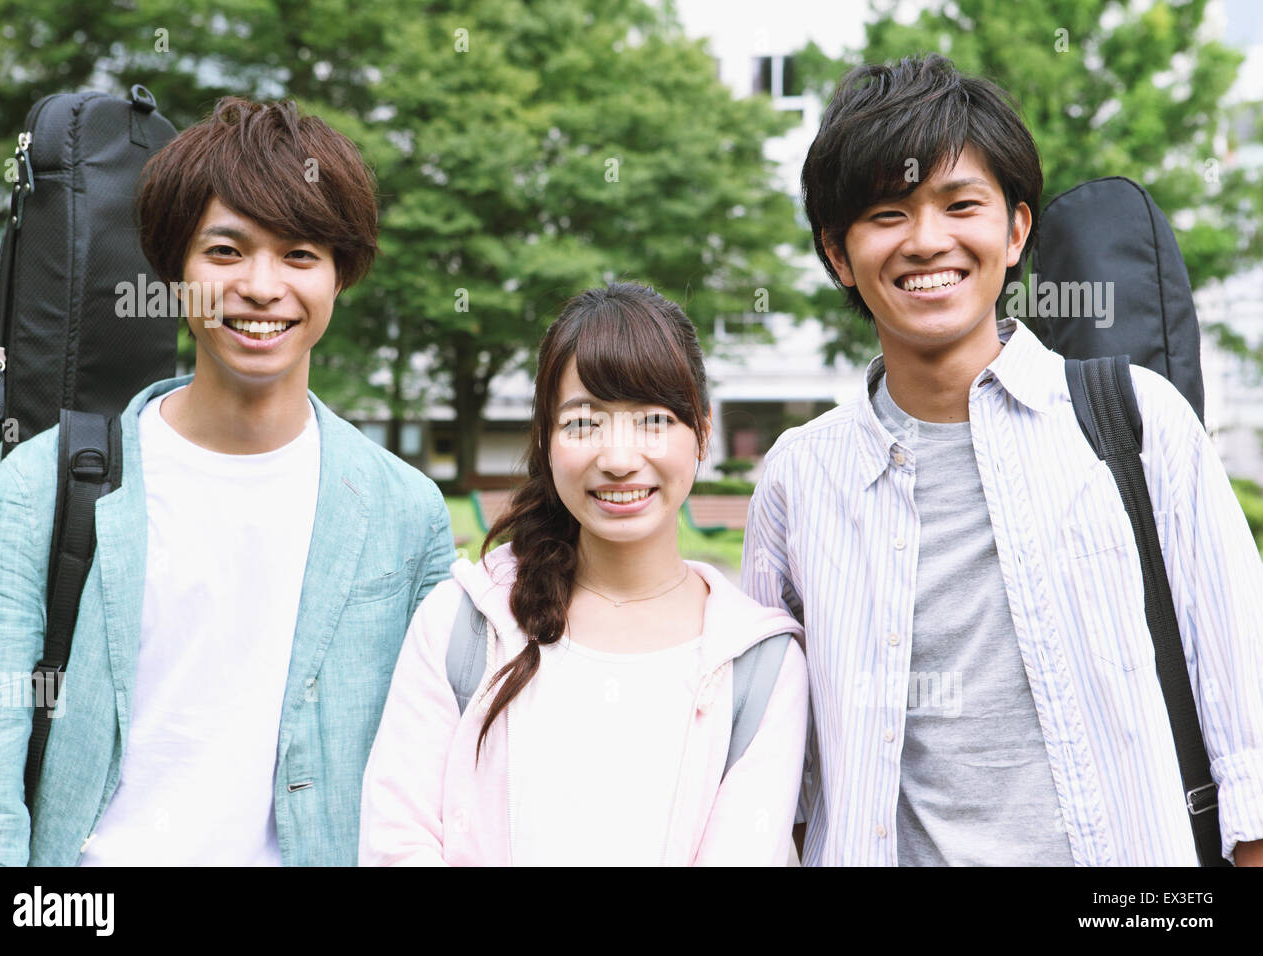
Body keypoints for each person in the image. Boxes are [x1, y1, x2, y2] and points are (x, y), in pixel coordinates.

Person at [742, 54, 1263, 866]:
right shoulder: (797, 478)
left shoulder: (1137, 420)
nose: (927, 241)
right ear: (838, 255)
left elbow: (1247, 712)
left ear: (1016, 230)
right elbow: (777, 760)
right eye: (887, 214)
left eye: (961, 205)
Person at [0, 97, 454, 866]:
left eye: (300, 255)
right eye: (225, 251)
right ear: (173, 271)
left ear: (338, 277)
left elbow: (431, 773)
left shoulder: (404, 510)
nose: (261, 287)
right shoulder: (46, 482)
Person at [359, 282, 808, 866]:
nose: (619, 458)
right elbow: (399, 839)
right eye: (583, 422)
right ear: (545, 437)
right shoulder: (463, 621)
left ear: (701, 431)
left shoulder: (761, 664)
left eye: (653, 420)